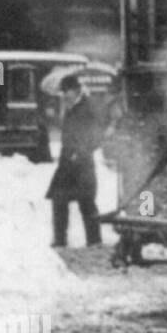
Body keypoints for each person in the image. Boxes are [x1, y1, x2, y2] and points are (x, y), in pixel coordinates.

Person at [46, 73, 103, 248]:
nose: (64, 95)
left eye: (66, 91)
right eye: (63, 92)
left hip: (82, 164)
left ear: (76, 90)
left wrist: (81, 152)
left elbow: (97, 136)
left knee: (86, 202)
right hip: (67, 163)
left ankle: (94, 241)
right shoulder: (71, 108)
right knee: (59, 199)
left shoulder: (88, 108)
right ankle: (60, 240)